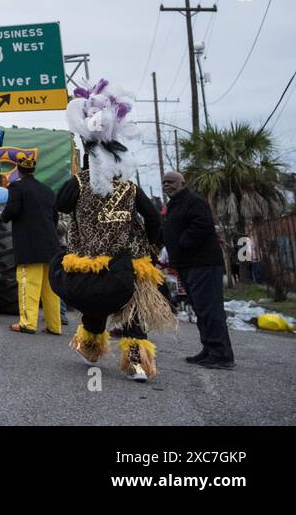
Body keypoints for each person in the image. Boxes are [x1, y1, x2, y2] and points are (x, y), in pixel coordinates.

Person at [53, 80, 176, 382]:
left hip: (95, 263)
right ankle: (135, 365)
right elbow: (154, 219)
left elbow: (60, 205)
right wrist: (151, 247)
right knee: (130, 315)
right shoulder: (130, 188)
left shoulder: (79, 183)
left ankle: (92, 350)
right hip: (127, 262)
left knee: (96, 311)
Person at [161, 170, 234, 369]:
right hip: (187, 265)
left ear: (183, 182)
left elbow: (202, 225)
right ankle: (209, 349)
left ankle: (222, 354)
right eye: (164, 183)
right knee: (201, 309)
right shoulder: (172, 206)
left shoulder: (194, 201)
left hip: (203, 264)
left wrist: (181, 244)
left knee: (210, 309)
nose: (167, 185)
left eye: (171, 182)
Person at [0, 152, 61, 334]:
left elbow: (12, 210)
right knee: (50, 289)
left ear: (19, 170)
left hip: (29, 245)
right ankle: (54, 325)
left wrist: (3, 218)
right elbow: (55, 218)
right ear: (33, 170)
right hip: (51, 246)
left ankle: (27, 323)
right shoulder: (47, 190)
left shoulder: (17, 188)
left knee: (28, 283)